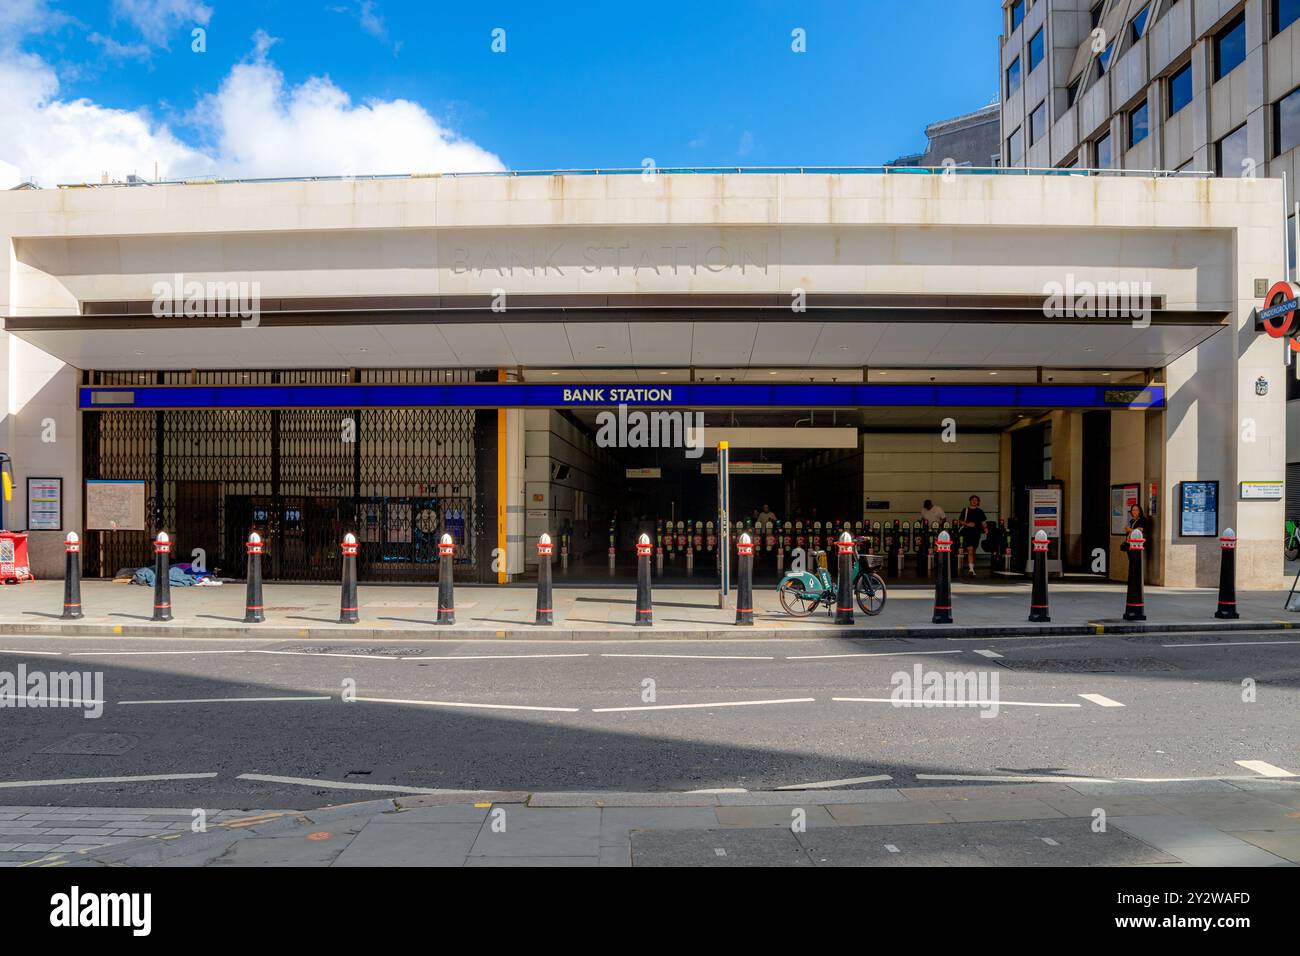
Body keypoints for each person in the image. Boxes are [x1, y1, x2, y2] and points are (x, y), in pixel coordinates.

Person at [958, 495, 988, 577]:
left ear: (978, 502)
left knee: (973, 551)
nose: (974, 501)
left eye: (976, 500)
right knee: (970, 549)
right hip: (967, 532)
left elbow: (983, 522)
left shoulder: (980, 511)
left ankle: (972, 567)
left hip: (976, 533)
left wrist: (985, 529)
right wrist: (967, 524)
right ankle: (971, 570)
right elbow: (960, 521)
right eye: (973, 500)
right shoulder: (966, 510)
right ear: (970, 501)